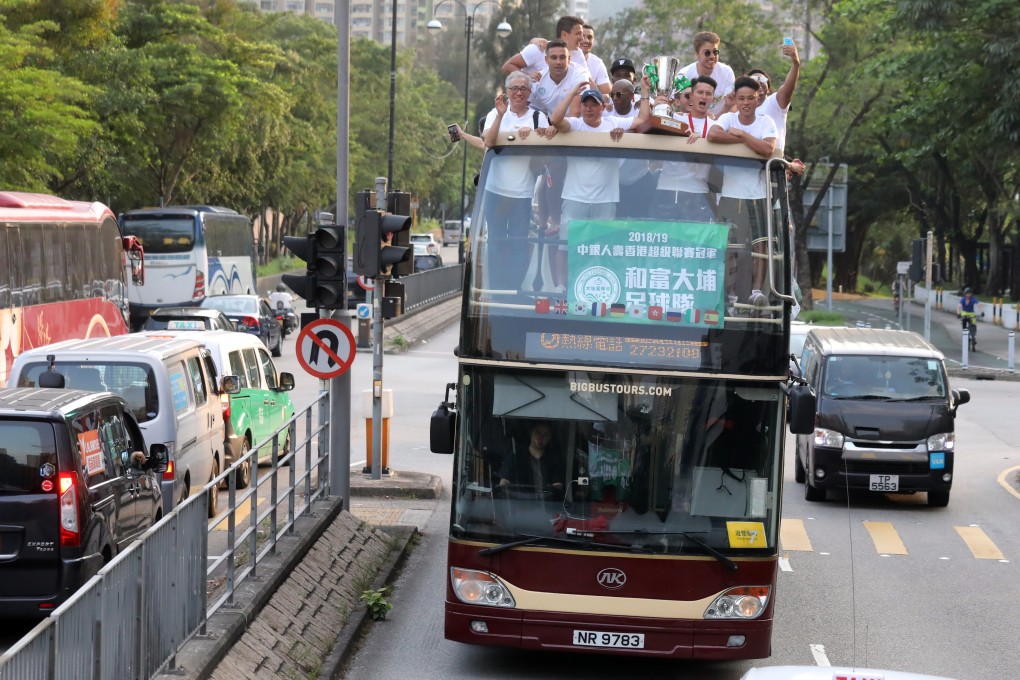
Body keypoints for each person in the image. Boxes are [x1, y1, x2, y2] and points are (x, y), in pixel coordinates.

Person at [548, 81, 651, 288]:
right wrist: (572, 95)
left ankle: (598, 286)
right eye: (585, 104)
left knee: (602, 248)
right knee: (565, 246)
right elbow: (556, 120)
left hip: (606, 199)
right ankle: (561, 286)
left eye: (594, 104)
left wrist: (645, 92)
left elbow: (643, 120)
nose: (588, 109)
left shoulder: (613, 124)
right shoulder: (576, 125)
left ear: (602, 108)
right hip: (574, 197)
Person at [707, 76, 778, 309]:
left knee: (760, 246)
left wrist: (742, 135)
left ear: (758, 99)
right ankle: (730, 296)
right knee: (730, 246)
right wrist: (743, 140)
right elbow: (713, 136)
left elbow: (767, 149)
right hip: (731, 194)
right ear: (735, 99)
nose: (746, 103)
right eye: (741, 98)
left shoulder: (766, 121)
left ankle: (757, 292)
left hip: (758, 195)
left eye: (750, 98)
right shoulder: (728, 117)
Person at [480, 72, 549, 291]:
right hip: (496, 191)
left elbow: (545, 156)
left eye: (524, 89)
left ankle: (513, 288)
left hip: (522, 193)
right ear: (507, 91)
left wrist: (534, 137)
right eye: (514, 89)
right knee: (496, 243)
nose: (519, 93)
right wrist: (501, 115)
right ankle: (497, 289)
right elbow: (488, 142)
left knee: (519, 244)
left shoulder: (538, 117)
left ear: (530, 93)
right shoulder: (495, 113)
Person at [653, 76, 718, 221]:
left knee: (695, 242)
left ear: (713, 99)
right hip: (669, 188)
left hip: (699, 191)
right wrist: (655, 106)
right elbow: (650, 126)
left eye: (708, 94)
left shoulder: (716, 126)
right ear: (691, 97)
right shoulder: (675, 119)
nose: (704, 97)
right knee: (664, 239)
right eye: (700, 92)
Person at [502, 15, 591, 84]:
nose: (582, 38)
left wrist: (600, 99)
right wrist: (528, 79)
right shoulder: (538, 49)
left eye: (562, 58)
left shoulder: (578, 53)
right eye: (578, 34)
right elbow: (508, 66)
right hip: (531, 105)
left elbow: (587, 80)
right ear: (564, 35)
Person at [748, 39, 801, 153]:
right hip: (748, 164)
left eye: (763, 79)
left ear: (768, 90)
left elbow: (788, 89)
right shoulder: (741, 111)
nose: (759, 83)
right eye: (754, 80)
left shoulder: (774, 102)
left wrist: (795, 63)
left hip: (772, 163)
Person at [498, 422, 565, 498]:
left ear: (550, 438)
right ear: (531, 432)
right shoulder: (515, 456)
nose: (541, 437)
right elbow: (504, 482)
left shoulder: (554, 460)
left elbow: (557, 486)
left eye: (545, 435)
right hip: (516, 504)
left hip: (545, 504)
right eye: (538, 432)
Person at [525, 39, 587, 118]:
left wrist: (558, 126)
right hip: (552, 125)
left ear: (569, 59)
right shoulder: (538, 78)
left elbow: (575, 113)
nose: (558, 62)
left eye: (562, 57)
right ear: (546, 60)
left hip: (578, 126)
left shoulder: (579, 75)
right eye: (554, 58)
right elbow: (520, 107)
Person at [680, 31, 736, 117]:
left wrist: (713, 122)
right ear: (697, 55)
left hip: (719, 121)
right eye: (707, 53)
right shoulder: (684, 74)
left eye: (715, 52)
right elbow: (679, 104)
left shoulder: (727, 72)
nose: (712, 56)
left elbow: (732, 105)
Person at [579, 24, 612, 95]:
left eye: (589, 37)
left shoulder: (597, 62)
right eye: (582, 36)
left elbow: (606, 89)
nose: (586, 40)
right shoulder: (564, 58)